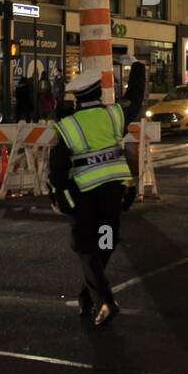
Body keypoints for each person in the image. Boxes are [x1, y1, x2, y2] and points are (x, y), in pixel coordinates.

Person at [48, 71, 138, 329]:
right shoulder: (114, 115)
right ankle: (87, 297)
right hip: (112, 193)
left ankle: (106, 301)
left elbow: (57, 171)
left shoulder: (68, 126)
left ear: (76, 98)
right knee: (105, 242)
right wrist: (136, 69)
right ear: (99, 93)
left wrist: (62, 200)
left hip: (84, 196)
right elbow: (135, 99)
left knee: (86, 248)